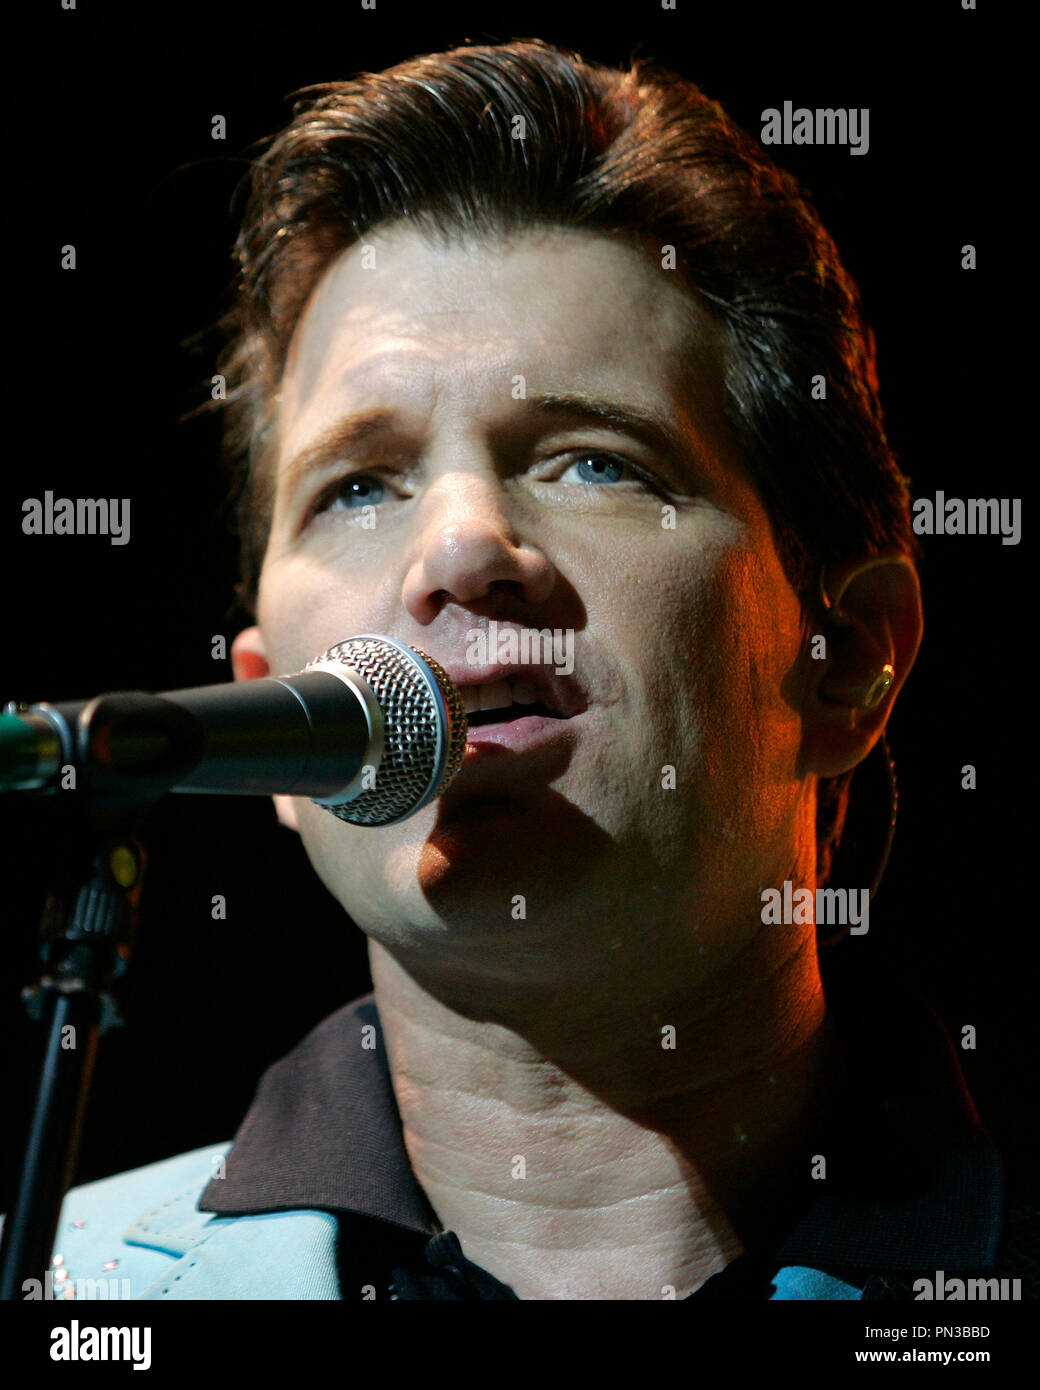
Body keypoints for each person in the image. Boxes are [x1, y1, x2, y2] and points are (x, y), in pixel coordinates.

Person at [3, 37, 1026, 1301]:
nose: (459, 546)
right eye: (359, 484)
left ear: (843, 661)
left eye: (593, 459)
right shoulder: (62, 1297)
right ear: (273, 706)